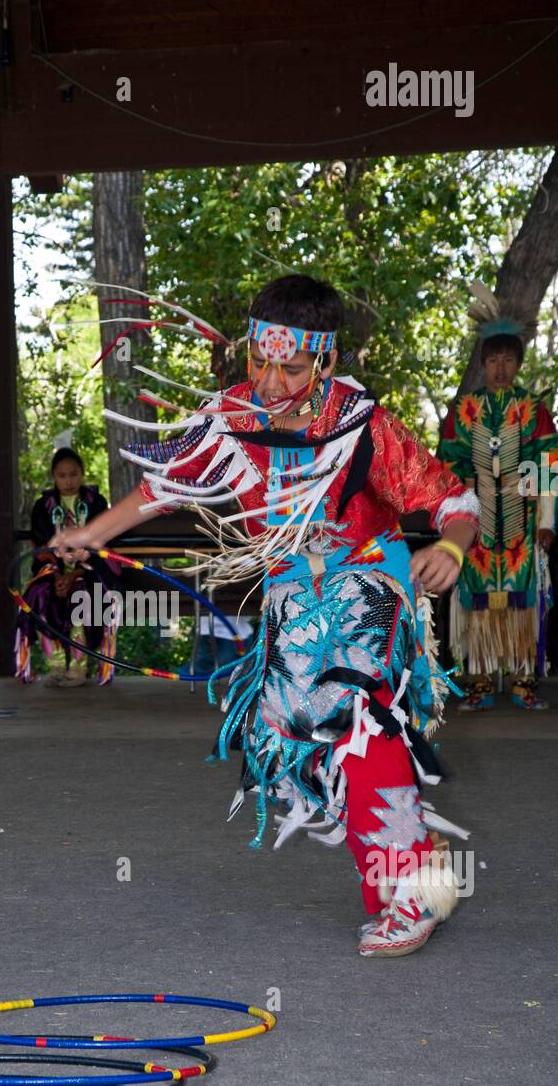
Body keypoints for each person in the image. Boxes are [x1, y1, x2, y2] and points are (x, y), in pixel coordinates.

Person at [52, 274, 480, 959]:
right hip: (292, 596)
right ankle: (415, 872)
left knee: (361, 724)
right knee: (294, 738)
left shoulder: (361, 423)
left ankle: (408, 892)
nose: (273, 379)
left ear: (327, 360)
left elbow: (455, 502)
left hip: (366, 579)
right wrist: (92, 533)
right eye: (260, 360)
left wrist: (453, 549)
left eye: (292, 365)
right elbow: (163, 488)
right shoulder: (230, 419)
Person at [438, 286, 558, 710]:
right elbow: (449, 469)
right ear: (483, 363)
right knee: (477, 604)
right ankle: (480, 683)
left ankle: (525, 683)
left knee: (524, 603)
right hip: (474, 525)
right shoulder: (464, 411)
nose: (500, 368)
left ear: (518, 363)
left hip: (521, 525)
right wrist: (457, 511)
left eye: (508, 360)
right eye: (493, 360)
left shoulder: (533, 409)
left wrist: (546, 521)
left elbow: (547, 466)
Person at [14, 447, 120, 687]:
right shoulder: (43, 506)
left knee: (82, 595)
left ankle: (79, 667)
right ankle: (57, 664)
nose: (68, 481)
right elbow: (41, 547)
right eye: (62, 475)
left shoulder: (96, 502)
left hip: (89, 572)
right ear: (54, 476)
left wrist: (76, 574)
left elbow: (103, 543)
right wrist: (57, 576)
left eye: (73, 474)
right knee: (38, 594)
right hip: (53, 573)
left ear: (82, 474)